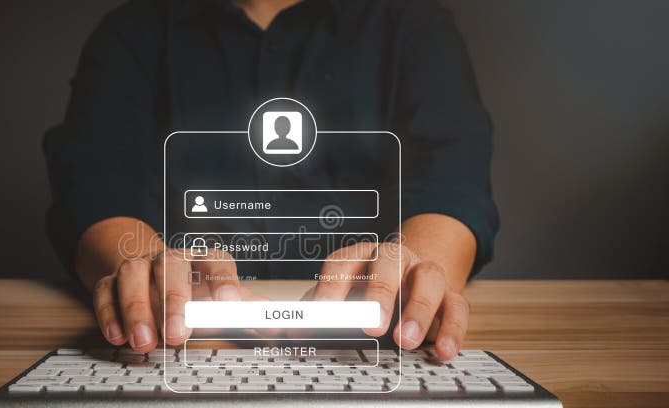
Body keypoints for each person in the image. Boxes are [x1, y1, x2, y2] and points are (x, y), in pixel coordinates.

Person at [43, 0, 499, 360]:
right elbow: (95, 187)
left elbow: (453, 183)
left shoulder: (414, 24)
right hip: (185, 342)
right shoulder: (132, 32)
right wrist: (148, 275)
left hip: (374, 341)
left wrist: (411, 273)